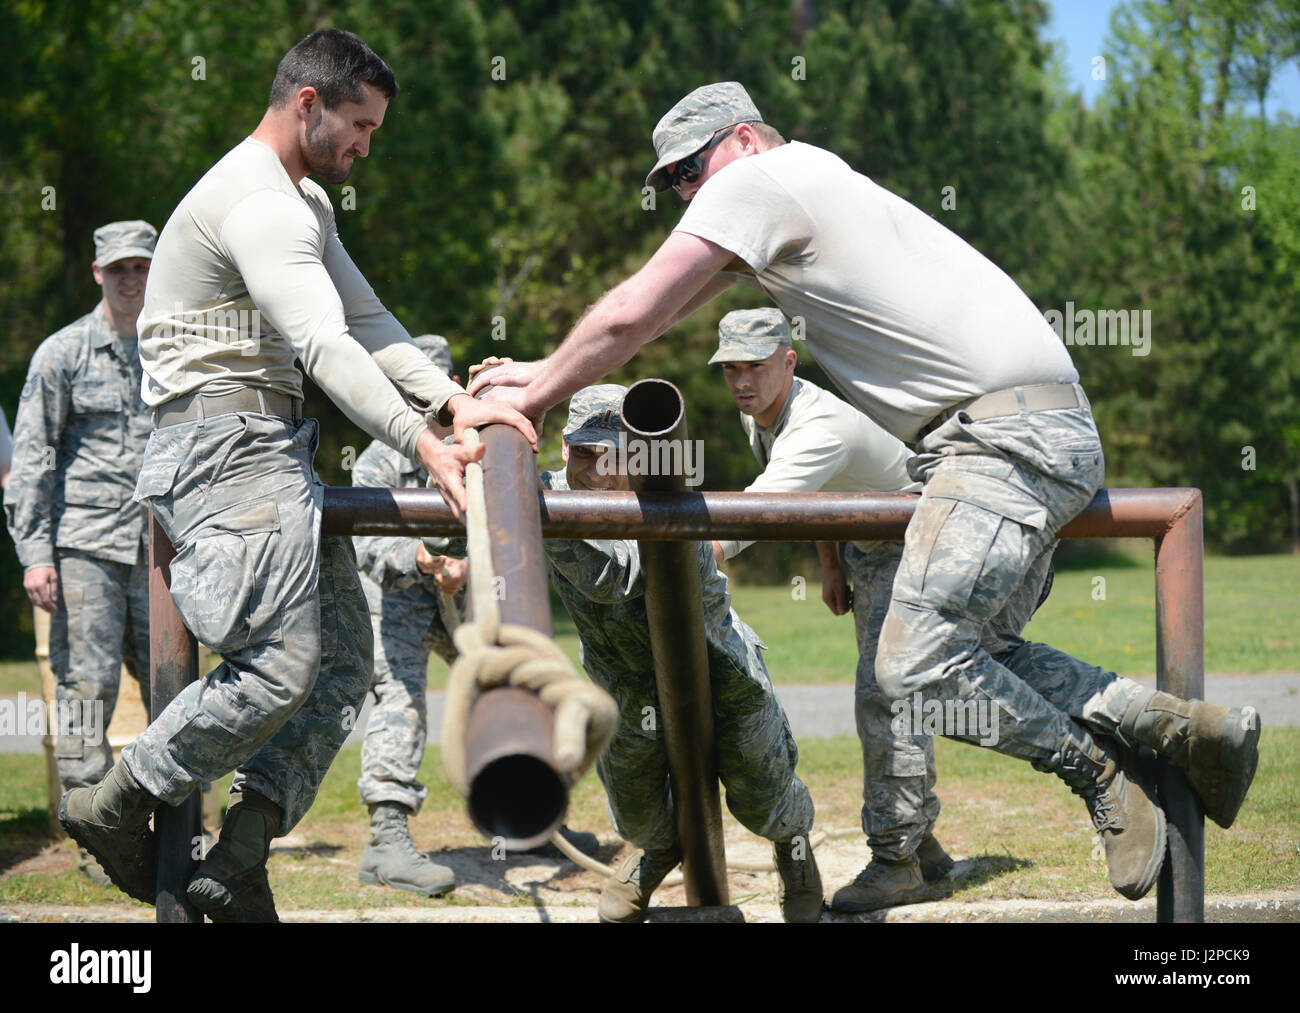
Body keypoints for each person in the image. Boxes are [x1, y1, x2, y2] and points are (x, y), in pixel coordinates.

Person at [470, 82, 1260, 902]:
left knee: (912, 664)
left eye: (689, 171)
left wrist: (528, 395)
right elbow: (663, 308)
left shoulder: (759, 182)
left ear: (741, 141)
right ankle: (1184, 729)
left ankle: (1100, 775)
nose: (683, 193)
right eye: (670, 183)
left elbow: (633, 311)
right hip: (1007, 434)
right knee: (971, 657)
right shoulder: (802, 192)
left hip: (998, 439)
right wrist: (546, 374)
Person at [60, 29, 536, 922]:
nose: (365, 146)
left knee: (346, 665)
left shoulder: (304, 202)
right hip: (223, 451)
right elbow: (323, 343)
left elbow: (369, 317)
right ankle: (118, 799)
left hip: (272, 451)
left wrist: (450, 407)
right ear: (307, 104)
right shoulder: (258, 203)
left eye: (375, 130)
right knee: (280, 667)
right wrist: (419, 440)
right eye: (358, 125)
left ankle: (240, 853)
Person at [542, 384, 822, 923]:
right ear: (563, 446)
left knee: (765, 800)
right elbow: (462, 531)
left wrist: (542, 517)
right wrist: (479, 439)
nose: (599, 473)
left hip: (721, 674)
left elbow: (616, 577)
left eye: (615, 457)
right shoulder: (543, 492)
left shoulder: (669, 498)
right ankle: (659, 851)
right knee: (638, 816)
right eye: (585, 454)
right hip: (624, 682)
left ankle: (794, 850)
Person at [707, 306, 953, 911]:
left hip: (913, 548)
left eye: (755, 367)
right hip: (864, 544)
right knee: (889, 694)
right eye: (730, 368)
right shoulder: (764, 412)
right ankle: (926, 852)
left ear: (788, 362)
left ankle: (898, 861)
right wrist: (833, 564)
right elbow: (815, 493)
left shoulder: (817, 424)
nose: (742, 381)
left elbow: (756, 514)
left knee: (886, 695)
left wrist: (674, 553)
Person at [351, 334, 598, 896]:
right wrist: (421, 558)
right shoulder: (377, 460)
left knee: (513, 686)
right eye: (413, 399)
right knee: (401, 702)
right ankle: (387, 840)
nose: (426, 412)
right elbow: (362, 541)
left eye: (433, 399)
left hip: (466, 598)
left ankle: (531, 814)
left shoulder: (477, 444)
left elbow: (511, 492)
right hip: (397, 599)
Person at [4, 221, 157, 884]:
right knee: (86, 690)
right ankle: (97, 837)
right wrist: (35, 552)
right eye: (118, 267)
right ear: (97, 272)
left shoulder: (173, 351)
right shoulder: (61, 354)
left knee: (177, 689)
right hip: (87, 547)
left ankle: (178, 822)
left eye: (141, 267)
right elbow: (32, 459)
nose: (130, 278)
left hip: (164, 549)